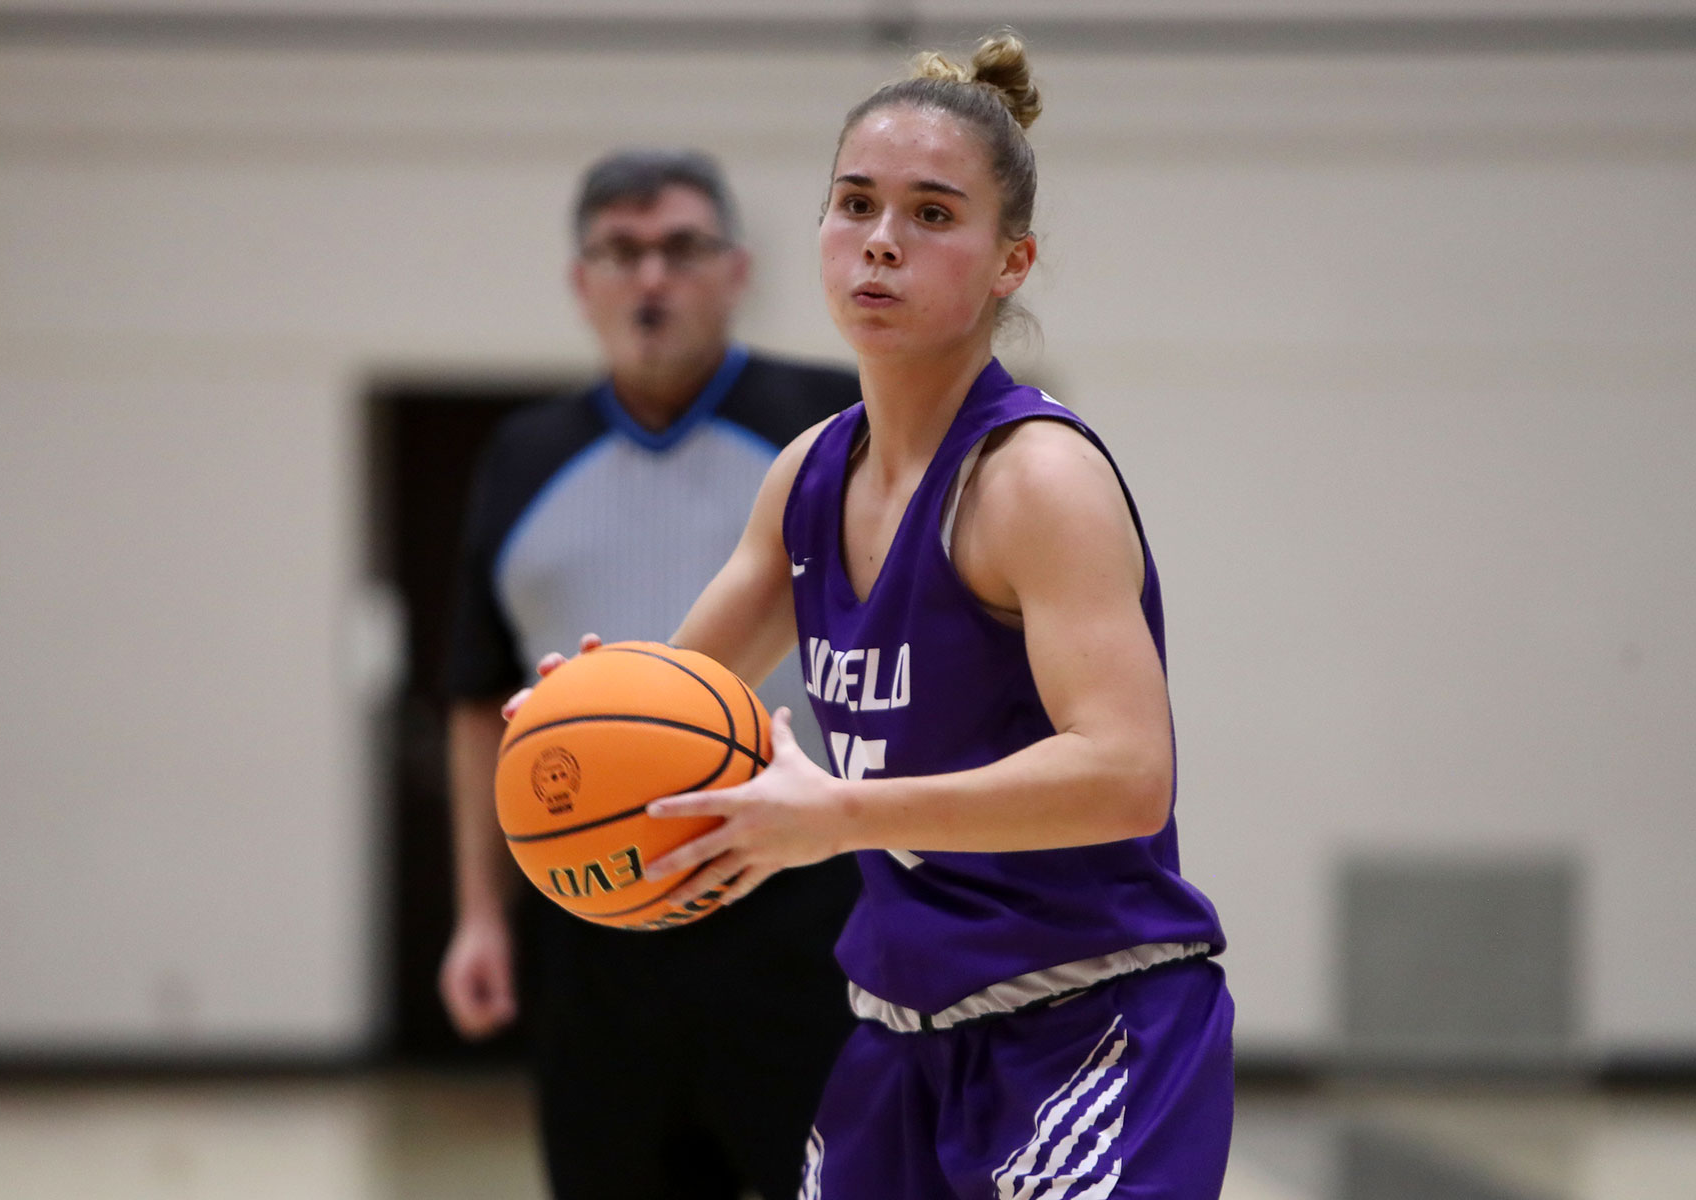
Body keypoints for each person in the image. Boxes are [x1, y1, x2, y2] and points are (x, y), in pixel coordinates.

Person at [516, 34, 1235, 1198]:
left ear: (1012, 262)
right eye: (855, 204)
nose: (883, 240)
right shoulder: (806, 478)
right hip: (898, 1041)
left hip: (1095, 1026)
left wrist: (838, 814)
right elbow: (675, 699)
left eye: (933, 213)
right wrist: (574, 723)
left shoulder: (1033, 480)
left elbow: (1126, 772)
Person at [440, 149, 861, 1200]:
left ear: (737, 269)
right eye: (621, 253)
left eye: (681, 248)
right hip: (590, 913)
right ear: (582, 283)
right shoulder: (522, 455)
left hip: (804, 912)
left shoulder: (832, 429)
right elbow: (477, 700)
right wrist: (481, 915)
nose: (652, 279)